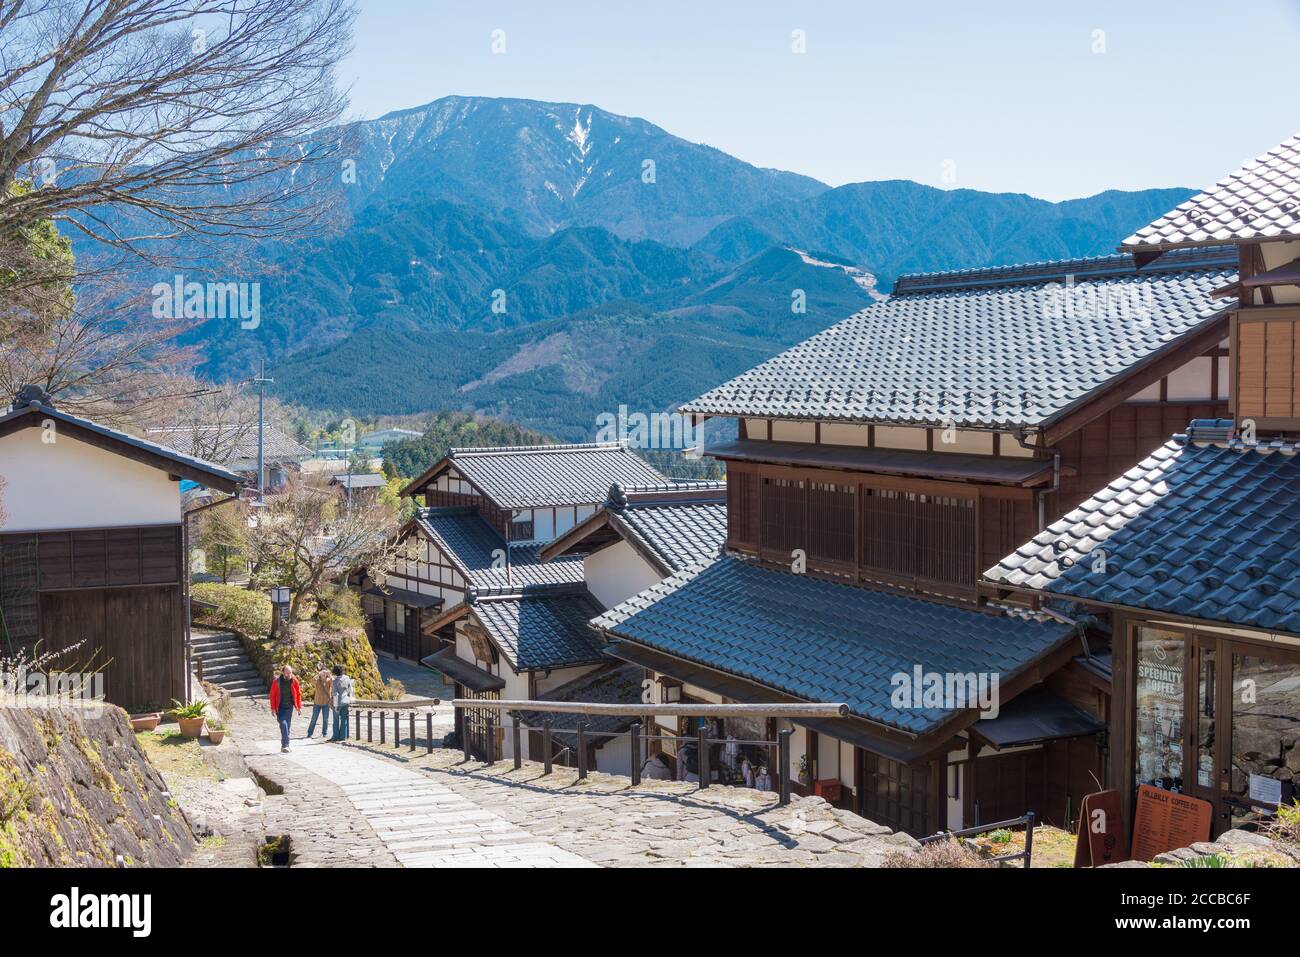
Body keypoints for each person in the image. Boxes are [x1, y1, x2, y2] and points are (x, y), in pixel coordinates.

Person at [268, 664, 301, 752]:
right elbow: (272, 695)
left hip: (289, 707)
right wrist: (273, 708)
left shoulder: (294, 680)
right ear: (283, 673)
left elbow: (298, 694)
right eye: (286, 673)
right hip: (280, 707)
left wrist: (298, 707)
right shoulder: (277, 681)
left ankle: (285, 745)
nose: (288, 675)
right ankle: (285, 745)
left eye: (290, 673)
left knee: (287, 726)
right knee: (283, 724)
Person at [305, 667, 332, 739]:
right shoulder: (317, 681)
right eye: (323, 673)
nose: (324, 674)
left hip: (326, 703)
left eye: (325, 673)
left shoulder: (329, 681)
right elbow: (311, 681)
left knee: (325, 719)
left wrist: (329, 675)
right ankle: (309, 733)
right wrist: (318, 674)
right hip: (317, 702)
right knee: (314, 718)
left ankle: (324, 733)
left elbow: (334, 684)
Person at [330, 665, 354, 741]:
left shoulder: (334, 681)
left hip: (338, 702)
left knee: (336, 720)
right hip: (346, 701)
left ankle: (335, 737)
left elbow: (335, 694)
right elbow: (351, 689)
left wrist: (336, 705)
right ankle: (342, 737)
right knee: (344, 720)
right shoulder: (347, 678)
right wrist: (350, 698)